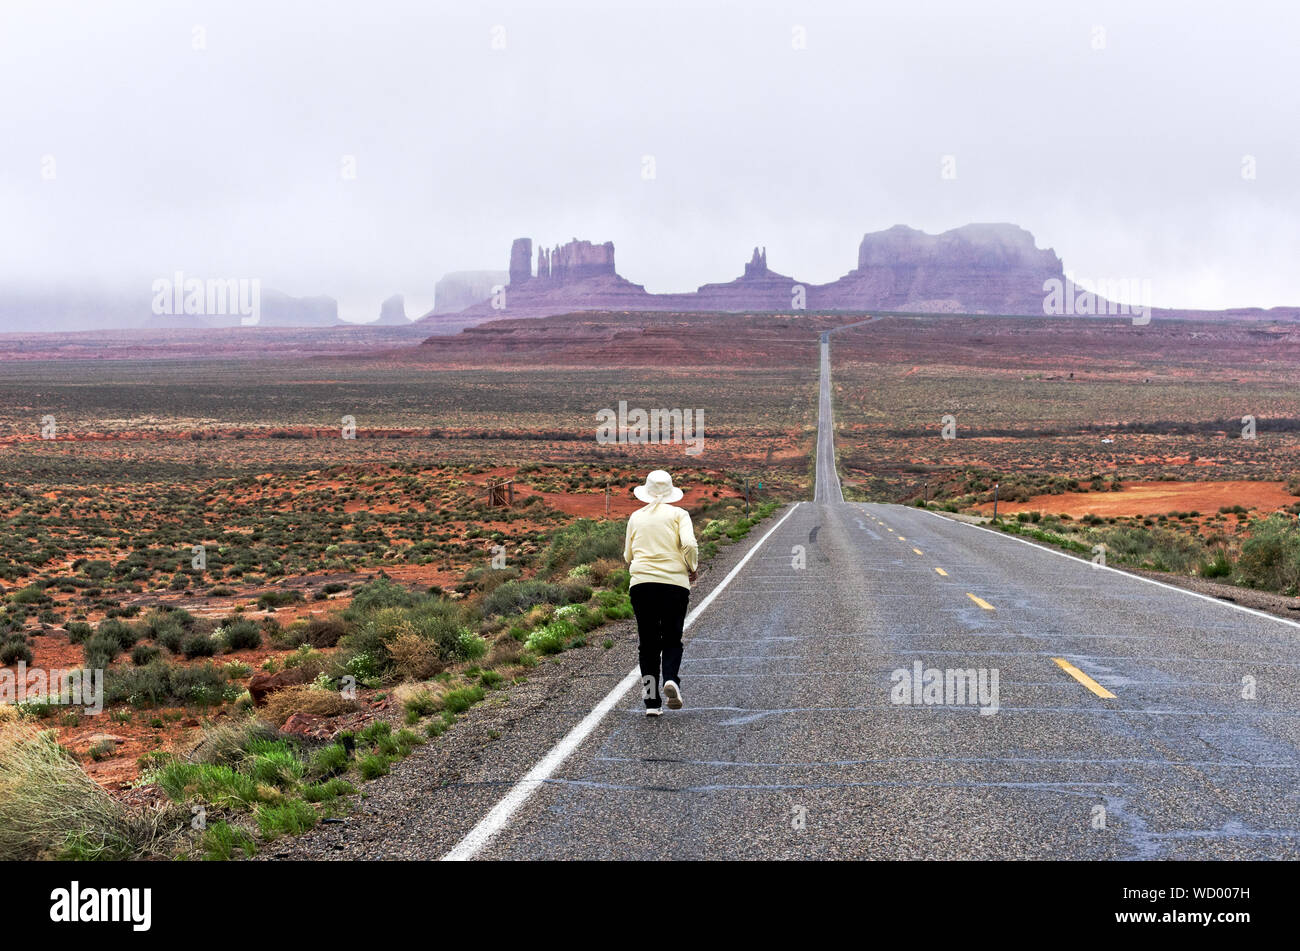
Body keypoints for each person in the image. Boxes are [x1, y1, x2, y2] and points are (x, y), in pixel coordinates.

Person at [623, 470, 698, 717]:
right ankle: (672, 680)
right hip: (674, 584)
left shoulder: (635, 517)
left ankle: (651, 703)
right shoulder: (680, 515)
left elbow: (627, 555)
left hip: (642, 585)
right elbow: (689, 544)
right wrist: (691, 567)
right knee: (672, 638)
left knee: (648, 644)